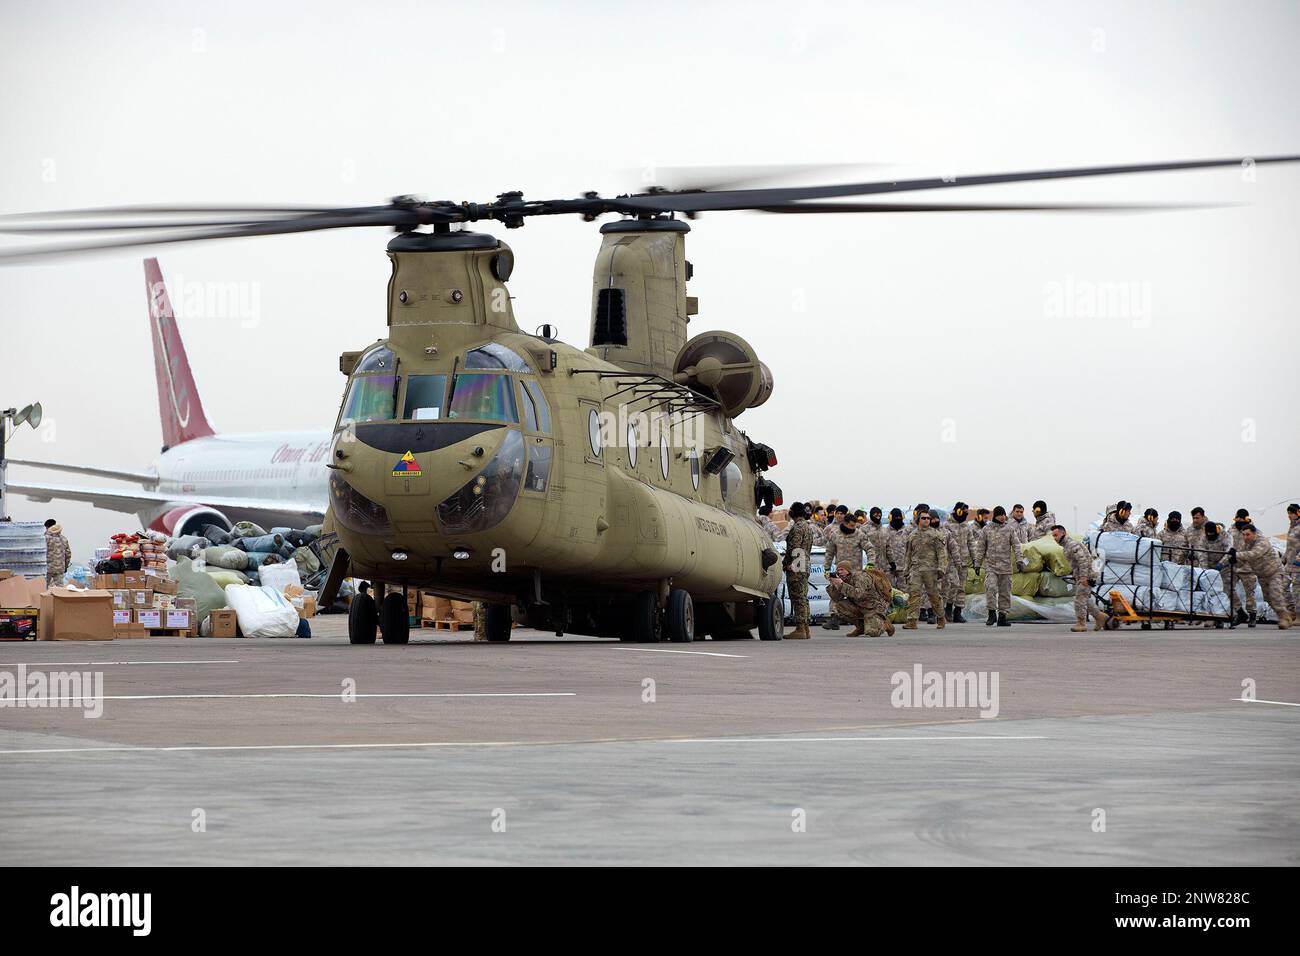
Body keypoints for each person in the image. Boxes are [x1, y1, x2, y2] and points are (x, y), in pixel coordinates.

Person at [1231, 524, 1292, 629]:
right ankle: (1285, 616)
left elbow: (1255, 554)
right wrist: (1234, 561)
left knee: (1275, 595)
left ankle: (1283, 618)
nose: (1245, 537)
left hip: (1274, 572)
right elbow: (1242, 562)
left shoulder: (1262, 541)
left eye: (1248, 535)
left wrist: (1236, 555)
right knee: (1268, 598)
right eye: (1244, 535)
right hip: (1262, 575)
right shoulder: (1246, 545)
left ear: (1254, 534)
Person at [1051, 525, 1111, 631]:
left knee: (1079, 599)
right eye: (1053, 536)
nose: (1055, 538)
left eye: (1056, 535)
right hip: (1083, 575)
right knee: (1085, 599)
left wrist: (1084, 576)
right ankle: (1100, 617)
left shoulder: (1072, 545)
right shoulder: (1067, 546)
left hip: (1087, 575)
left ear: (1063, 533)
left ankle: (1081, 623)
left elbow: (1083, 561)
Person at [975, 506, 1024, 626]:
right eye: (1000, 515)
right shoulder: (987, 529)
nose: (1002, 517)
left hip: (1006, 567)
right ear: (995, 516)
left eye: (1003, 515)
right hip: (991, 566)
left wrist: (1019, 560)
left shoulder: (1009, 529)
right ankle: (991, 614)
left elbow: (1017, 546)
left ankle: (1003, 616)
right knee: (990, 588)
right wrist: (977, 563)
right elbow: (980, 547)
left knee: (1005, 592)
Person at [903, 510, 948, 630]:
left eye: (928, 518)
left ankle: (941, 618)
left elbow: (942, 553)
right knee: (914, 594)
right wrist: (906, 570)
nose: (927, 520)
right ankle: (912, 621)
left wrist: (941, 568)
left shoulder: (936, 535)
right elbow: (908, 554)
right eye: (924, 518)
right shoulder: (912, 536)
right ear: (918, 520)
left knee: (934, 595)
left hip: (931, 569)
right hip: (916, 569)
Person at [826, 560, 895, 637]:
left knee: (872, 632)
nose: (840, 572)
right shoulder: (844, 579)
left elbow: (858, 594)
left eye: (842, 569)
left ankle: (885, 624)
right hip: (860, 606)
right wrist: (834, 584)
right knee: (840, 605)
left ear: (848, 570)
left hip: (874, 607)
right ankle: (860, 627)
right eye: (838, 570)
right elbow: (836, 598)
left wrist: (842, 584)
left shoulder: (860, 577)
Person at [782, 502, 815, 639]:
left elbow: (794, 548)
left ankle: (800, 628)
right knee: (803, 596)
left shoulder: (797, 528)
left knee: (797, 597)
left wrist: (789, 563)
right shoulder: (808, 527)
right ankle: (806, 628)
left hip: (798, 563)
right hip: (805, 563)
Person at [943, 502, 976, 623]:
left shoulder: (966, 527)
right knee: (952, 585)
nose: (966, 514)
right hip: (950, 561)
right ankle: (948, 607)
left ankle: (958, 612)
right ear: (957, 511)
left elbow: (971, 544)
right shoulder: (947, 525)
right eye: (964, 511)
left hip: (963, 562)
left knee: (961, 588)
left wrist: (975, 560)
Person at [823, 504, 877, 575]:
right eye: (851, 525)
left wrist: (870, 563)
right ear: (845, 523)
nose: (853, 527)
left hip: (856, 573)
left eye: (854, 525)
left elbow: (870, 548)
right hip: (841, 573)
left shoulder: (859, 534)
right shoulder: (835, 535)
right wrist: (827, 568)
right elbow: (829, 552)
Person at [1229, 509, 1259, 625]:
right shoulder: (1231, 530)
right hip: (1234, 565)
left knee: (1249, 592)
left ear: (1246, 519)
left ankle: (1252, 615)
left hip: (1248, 566)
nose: (1238, 521)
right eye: (1237, 519)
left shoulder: (1253, 531)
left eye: (1241, 519)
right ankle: (1240, 612)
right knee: (1228, 588)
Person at [880, 508, 909, 591]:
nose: (898, 520)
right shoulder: (884, 532)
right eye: (895, 518)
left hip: (904, 567)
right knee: (888, 591)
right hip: (888, 568)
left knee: (905, 592)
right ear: (890, 518)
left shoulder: (908, 531)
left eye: (899, 518)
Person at [43, 518, 71, 588]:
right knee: (60, 588)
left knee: (43, 588)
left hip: (47, 568)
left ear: (47, 527)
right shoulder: (63, 539)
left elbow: (40, 554)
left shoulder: (45, 538)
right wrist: (65, 567)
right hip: (60, 568)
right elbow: (68, 554)